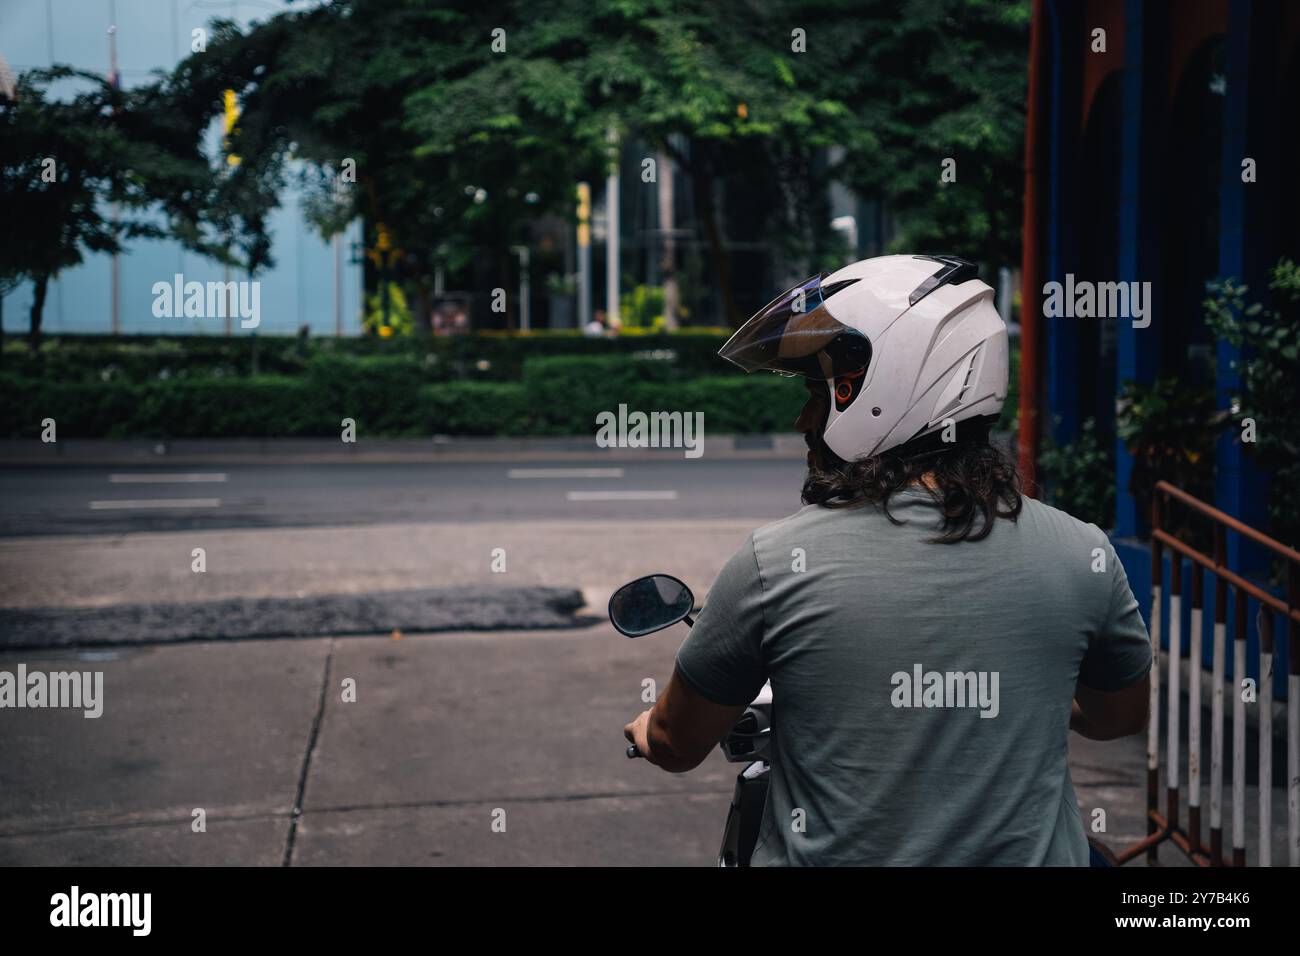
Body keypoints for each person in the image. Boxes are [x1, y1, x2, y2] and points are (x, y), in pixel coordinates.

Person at [623, 255, 1151, 866]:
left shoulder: (774, 563)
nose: (804, 419)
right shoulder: (1083, 551)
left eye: (821, 393)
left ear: (882, 387)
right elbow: (1119, 716)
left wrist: (644, 730)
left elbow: (677, 740)